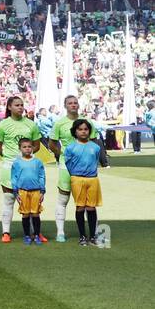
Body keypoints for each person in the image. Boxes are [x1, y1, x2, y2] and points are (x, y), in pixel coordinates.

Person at [46, 95, 106, 243]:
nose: (73, 105)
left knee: (90, 203)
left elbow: (93, 145)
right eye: (70, 103)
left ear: (78, 105)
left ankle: (93, 234)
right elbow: (52, 143)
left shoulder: (88, 122)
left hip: (86, 169)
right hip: (67, 165)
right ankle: (60, 232)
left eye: (75, 103)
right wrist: (62, 155)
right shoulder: (60, 123)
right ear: (65, 105)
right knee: (64, 197)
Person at [0, 95, 40, 243]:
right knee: (9, 200)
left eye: (22, 105)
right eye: (17, 105)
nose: (20, 107)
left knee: (31, 201)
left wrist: (25, 158)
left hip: (28, 168)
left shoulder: (31, 125)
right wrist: (11, 159)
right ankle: (6, 232)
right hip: (9, 167)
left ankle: (35, 233)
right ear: (9, 107)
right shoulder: (3, 125)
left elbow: (37, 145)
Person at [64, 118, 104, 246]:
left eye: (86, 129)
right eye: (80, 129)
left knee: (91, 207)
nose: (83, 132)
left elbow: (95, 161)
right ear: (75, 131)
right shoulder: (70, 147)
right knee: (80, 206)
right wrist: (75, 176)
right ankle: (82, 236)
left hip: (92, 179)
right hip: (77, 179)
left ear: (89, 131)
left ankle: (93, 236)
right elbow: (68, 164)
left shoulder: (95, 147)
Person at [10, 136, 47, 245]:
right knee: (25, 214)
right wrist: (15, 191)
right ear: (20, 148)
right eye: (24, 147)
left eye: (29, 147)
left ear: (33, 148)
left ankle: (36, 234)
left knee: (35, 214)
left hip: (36, 191)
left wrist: (42, 190)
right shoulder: (16, 163)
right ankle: (26, 235)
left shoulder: (38, 162)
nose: (27, 149)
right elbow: (14, 177)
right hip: (22, 191)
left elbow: (42, 176)